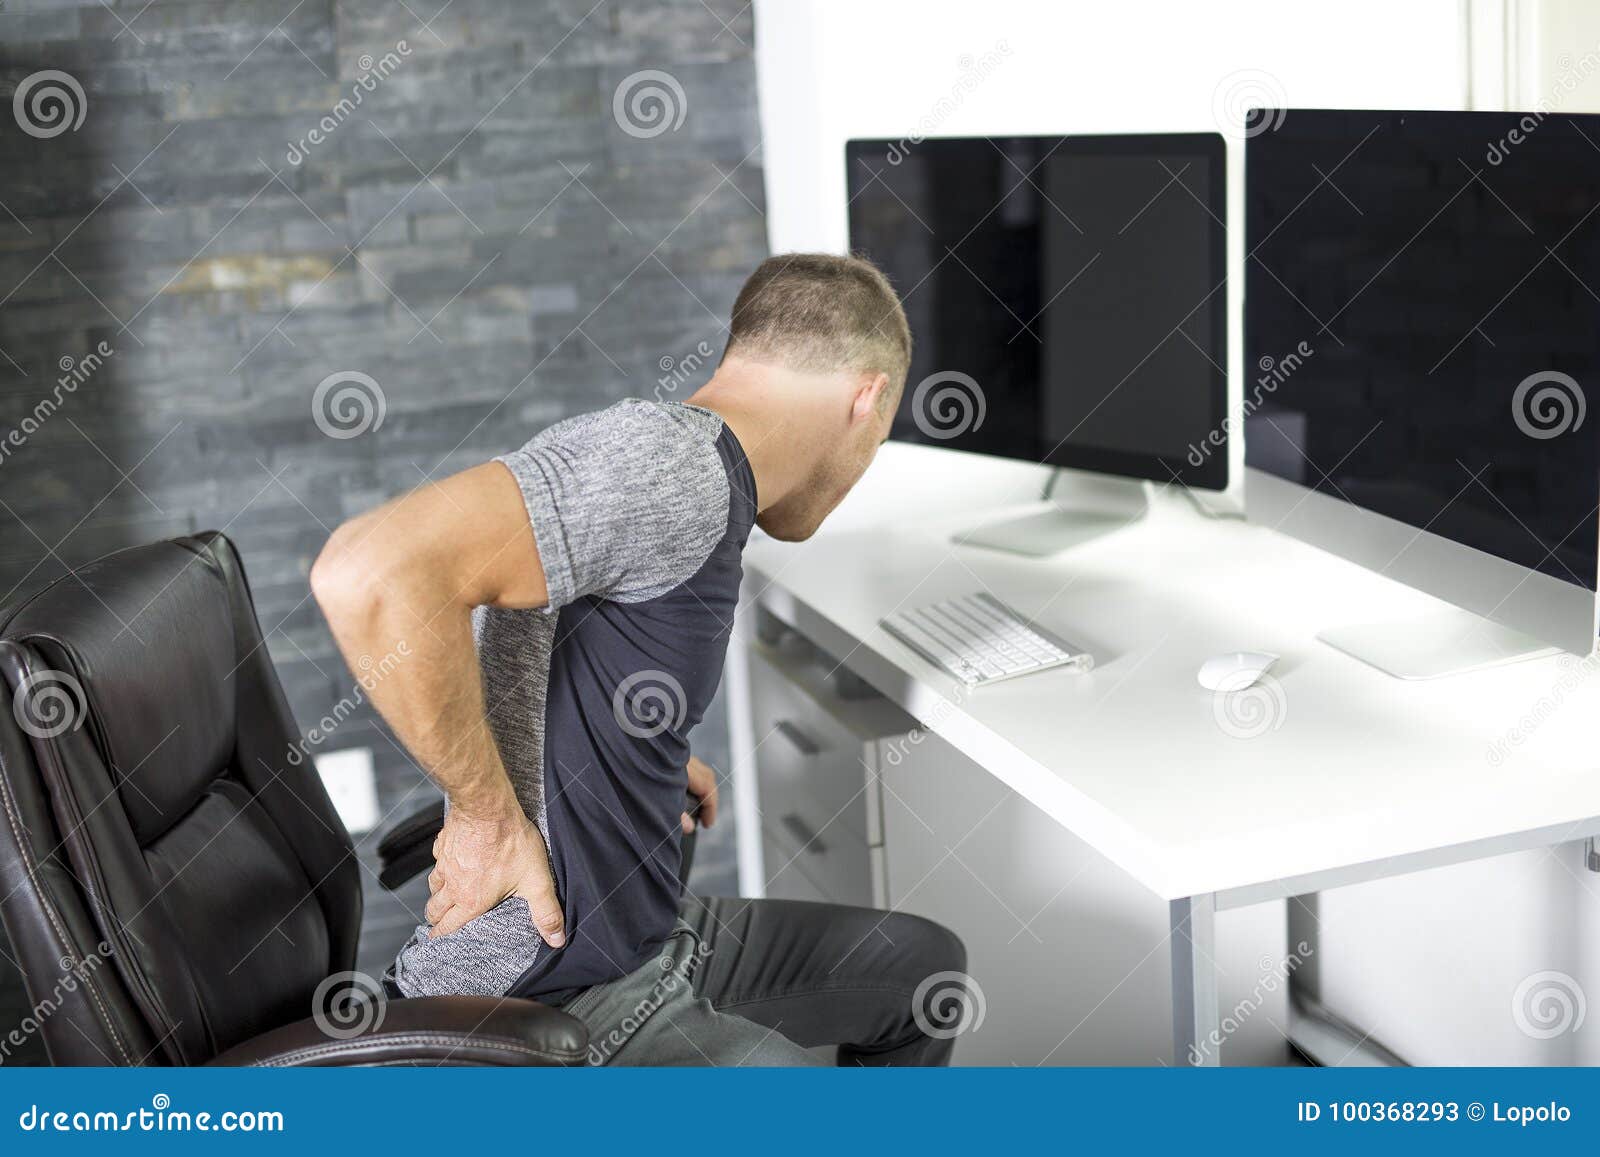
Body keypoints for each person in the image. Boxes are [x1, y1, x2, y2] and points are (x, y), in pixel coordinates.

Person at [311, 253, 967, 1065]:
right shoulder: (672, 468)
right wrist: (484, 817)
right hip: (553, 988)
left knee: (923, 973)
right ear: (865, 398)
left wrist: (634, 745)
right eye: (881, 434)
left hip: (649, 938)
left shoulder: (685, 465)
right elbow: (368, 572)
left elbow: (542, 630)